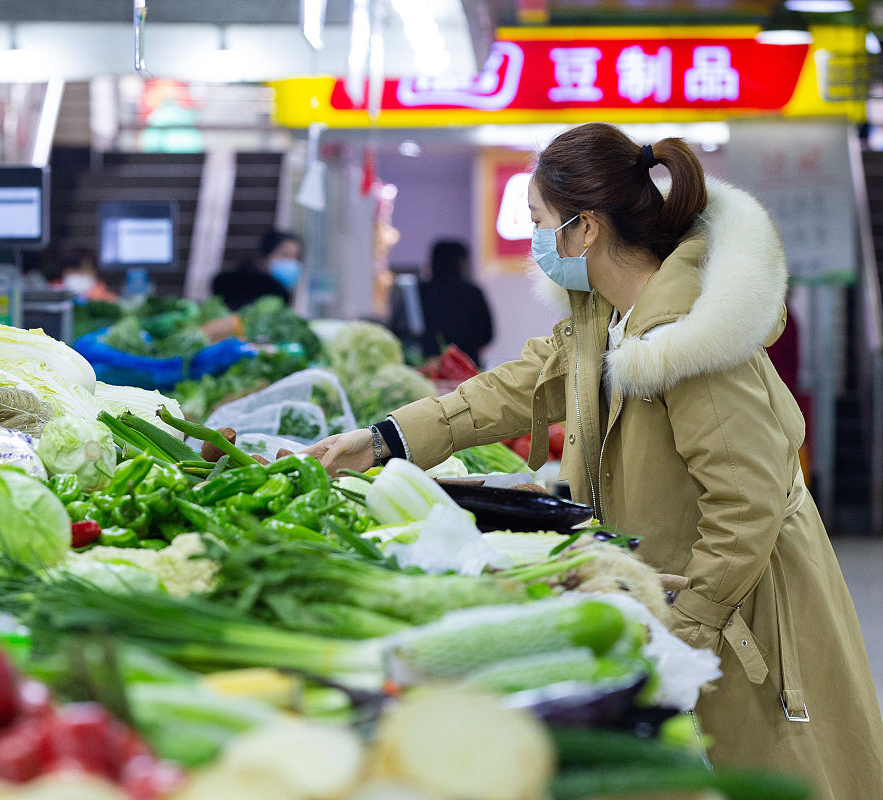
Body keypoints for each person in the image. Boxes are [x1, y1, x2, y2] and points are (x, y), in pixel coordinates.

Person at [306, 122, 883, 799]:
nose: (534, 240)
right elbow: (519, 385)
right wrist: (385, 439)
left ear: (584, 229)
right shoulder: (602, 315)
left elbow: (744, 507)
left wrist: (682, 632)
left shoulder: (692, 339)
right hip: (675, 584)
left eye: (538, 221)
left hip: (742, 602)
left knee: (773, 773)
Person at [391, 239, 494, 365]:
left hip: (425, 366)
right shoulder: (473, 292)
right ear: (461, 262)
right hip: (465, 367)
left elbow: (399, 331)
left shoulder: (419, 291)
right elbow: (487, 335)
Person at [211, 229, 302, 311]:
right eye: (285, 255)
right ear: (263, 256)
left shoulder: (281, 296)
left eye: (297, 257)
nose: (291, 262)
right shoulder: (240, 290)